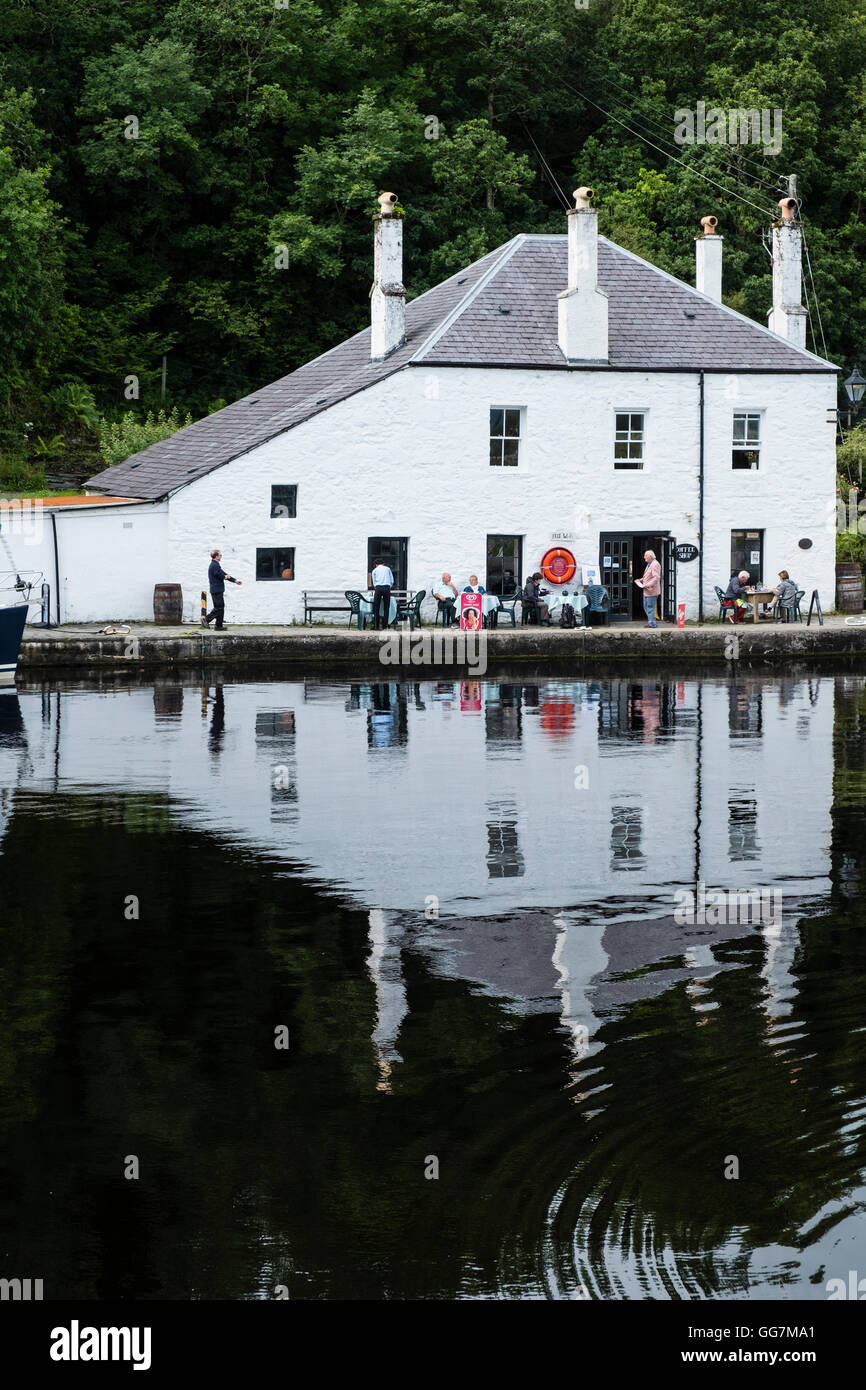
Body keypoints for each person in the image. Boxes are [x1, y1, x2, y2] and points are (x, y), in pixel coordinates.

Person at [204, 549, 242, 629]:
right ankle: (206, 619)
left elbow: (223, 574)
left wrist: (235, 580)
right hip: (216, 590)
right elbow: (221, 575)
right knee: (219, 607)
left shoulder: (216, 565)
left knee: (220, 607)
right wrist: (225, 577)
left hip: (216, 590)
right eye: (220, 555)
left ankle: (218, 626)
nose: (221, 556)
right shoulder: (214, 565)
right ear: (216, 556)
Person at [634, 549, 662, 628]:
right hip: (647, 590)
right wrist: (640, 580)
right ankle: (651, 622)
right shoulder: (650, 564)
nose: (644, 557)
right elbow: (648, 576)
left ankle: (652, 624)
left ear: (650, 556)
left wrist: (647, 585)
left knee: (650, 607)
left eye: (645, 556)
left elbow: (656, 578)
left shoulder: (655, 564)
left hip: (651, 590)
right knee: (646, 606)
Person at [369, 556, 394, 630]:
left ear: (376, 564)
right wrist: (389, 586)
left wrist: (377, 588)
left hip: (378, 588)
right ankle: (385, 626)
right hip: (386, 588)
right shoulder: (388, 569)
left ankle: (376, 626)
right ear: (383, 564)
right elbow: (392, 580)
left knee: (376, 607)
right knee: (386, 607)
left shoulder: (374, 570)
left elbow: (374, 582)